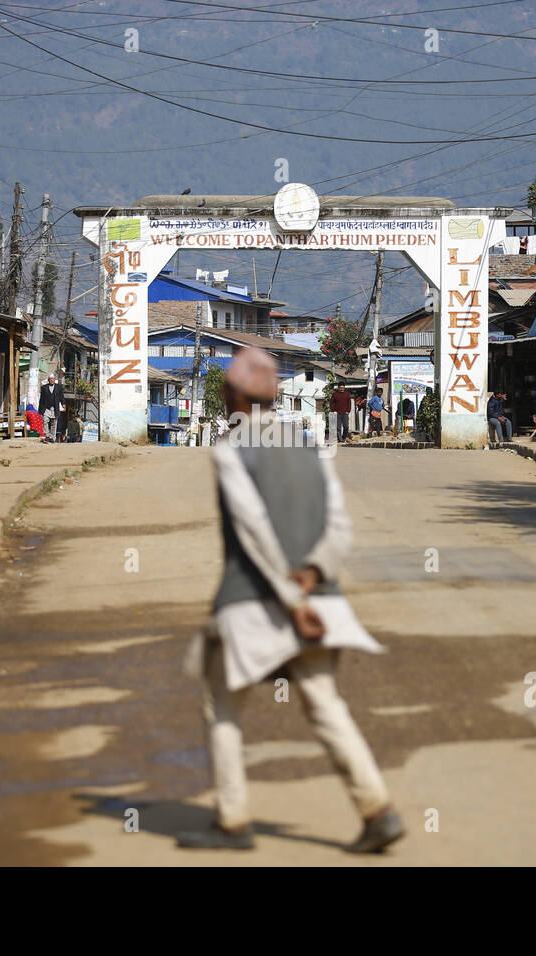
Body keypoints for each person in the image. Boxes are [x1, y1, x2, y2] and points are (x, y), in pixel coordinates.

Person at [178, 347, 404, 854]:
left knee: (221, 707)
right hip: (320, 599)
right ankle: (378, 810)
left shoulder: (230, 448)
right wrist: (313, 575)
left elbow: (253, 528)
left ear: (233, 397)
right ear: (275, 395)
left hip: (255, 604)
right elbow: (340, 525)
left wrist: (287, 594)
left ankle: (232, 822)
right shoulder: (307, 447)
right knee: (325, 705)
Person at [38, 375, 62, 443]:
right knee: (45, 420)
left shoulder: (58, 387)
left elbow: (61, 396)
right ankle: (47, 435)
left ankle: (52, 437)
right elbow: (41, 399)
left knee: (54, 423)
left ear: (55, 380)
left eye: (53, 379)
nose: (52, 380)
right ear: (48, 380)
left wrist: (63, 403)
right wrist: (40, 409)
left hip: (55, 408)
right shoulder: (44, 388)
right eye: (50, 379)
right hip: (46, 408)